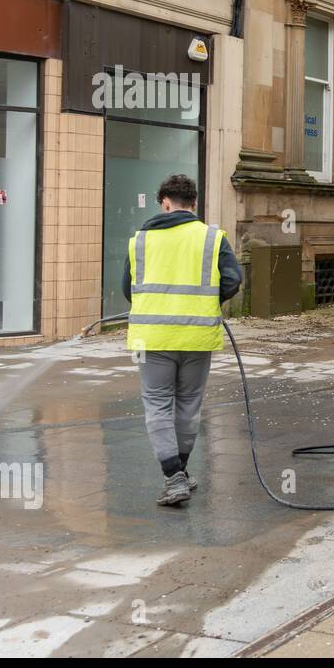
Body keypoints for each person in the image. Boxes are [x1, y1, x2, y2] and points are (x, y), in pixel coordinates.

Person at [123, 174, 242, 506]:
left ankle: (173, 476)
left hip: (153, 338)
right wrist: (205, 301)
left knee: (158, 405)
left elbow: (126, 288)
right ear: (194, 203)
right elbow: (233, 279)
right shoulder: (212, 238)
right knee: (188, 404)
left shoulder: (140, 241)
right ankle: (180, 473)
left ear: (164, 203)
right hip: (196, 335)